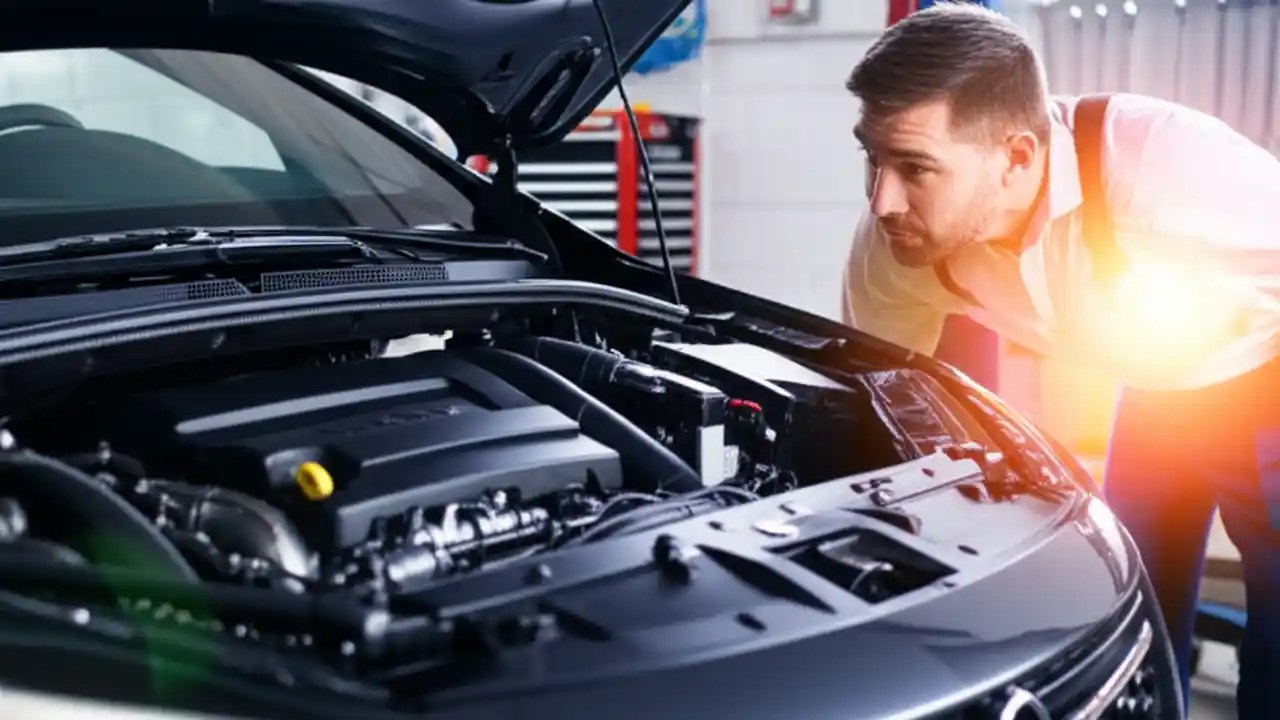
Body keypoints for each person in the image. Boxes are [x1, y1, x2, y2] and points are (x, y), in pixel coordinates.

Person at [840, 2, 1280, 717]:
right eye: (873, 157)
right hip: (1157, 388)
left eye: (915, 167)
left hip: (1266, 379)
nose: (882, 199)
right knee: (1124, 594)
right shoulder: (901, 238)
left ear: (1016, 156)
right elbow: (872, 395)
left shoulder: (1168, 168)